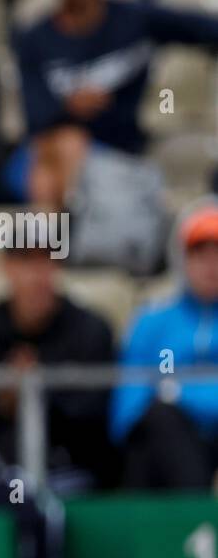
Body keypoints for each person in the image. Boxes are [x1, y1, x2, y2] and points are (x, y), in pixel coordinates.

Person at [13, 0, 218, 207]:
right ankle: (57, 235)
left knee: (67, 151)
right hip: (49, 157)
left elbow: (203, 28)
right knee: (60, 149)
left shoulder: (134, 18)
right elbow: (35, 120)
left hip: (119, 151)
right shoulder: (35, 40)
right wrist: (68, 106)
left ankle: (53, 236)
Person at [0, 244, 117, 492]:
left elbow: (95, 419)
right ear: (6, 267)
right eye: (26, 261)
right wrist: (1, 402)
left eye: (46, 261)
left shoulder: (90, 329)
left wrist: (38, 394)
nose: (37, 275)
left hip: (71, 465)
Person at [112, 202, 218, 488]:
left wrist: (179, 394)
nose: (211, 266)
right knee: (160, 425)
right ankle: (193, 522)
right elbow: (128, 410)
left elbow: (166, 392)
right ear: (182, 260)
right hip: (169, 444)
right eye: (200, 254)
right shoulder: (151, 321)